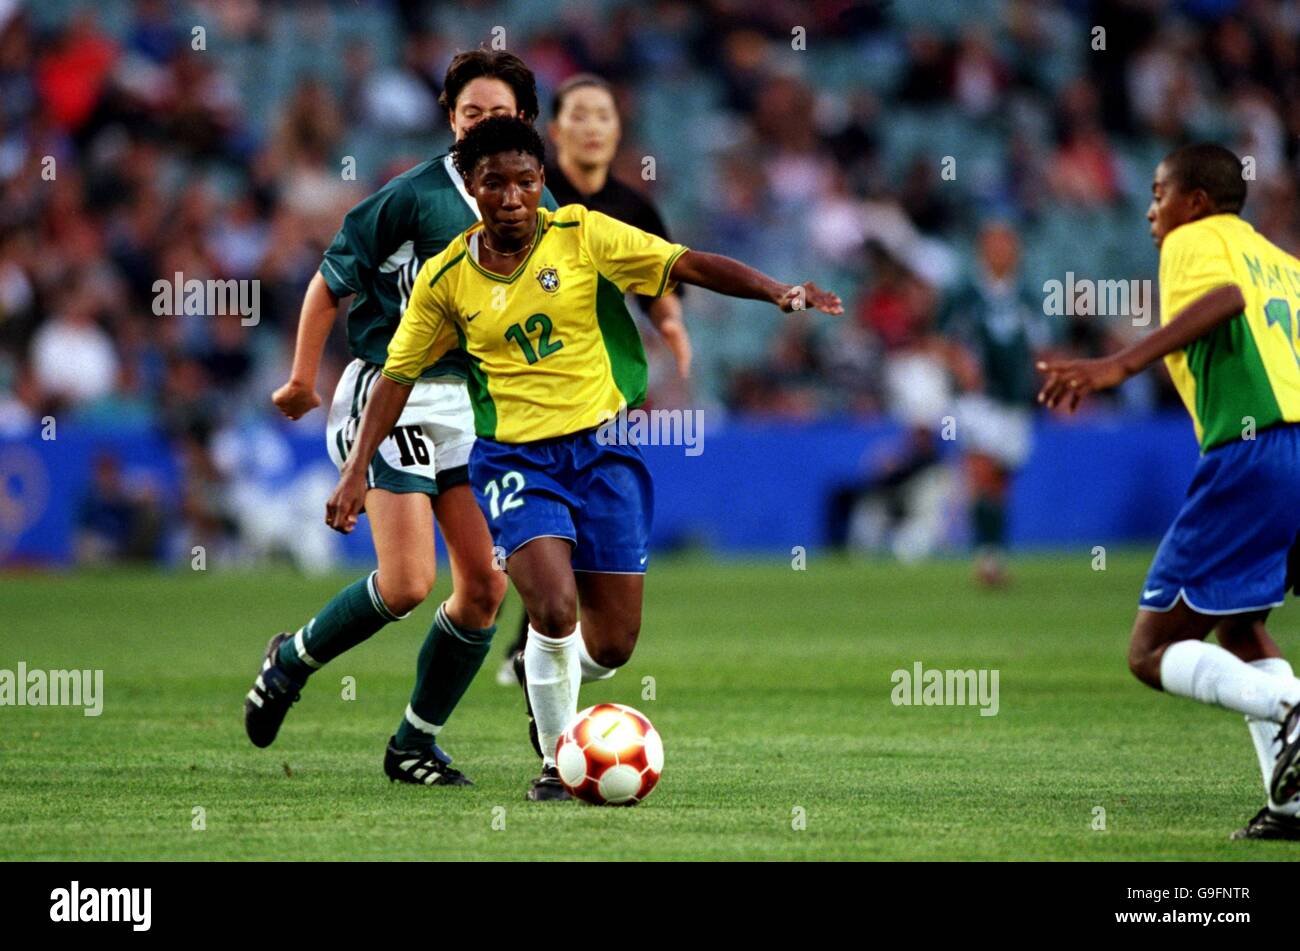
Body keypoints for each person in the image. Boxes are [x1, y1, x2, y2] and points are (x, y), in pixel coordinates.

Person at [325, 116, 842, 800]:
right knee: (554, 605)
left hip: (603, 452)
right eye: (495, 183)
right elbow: (394, 377)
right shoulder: (447, 277)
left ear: (542, 181)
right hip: (514, 460)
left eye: (525, 181)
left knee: (616, 641)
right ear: (472, 188)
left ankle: (548, 674)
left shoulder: (583, 233)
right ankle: (557, 758)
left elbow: (683, 261)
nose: (512, 196)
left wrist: (775, 288)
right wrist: (357, 468)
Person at [244, 50, 559, 788]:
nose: (485, 123)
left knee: (485, 586)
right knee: (409, 580)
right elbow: (329, 283)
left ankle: (414, 742)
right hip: (393, 390)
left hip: (474, 406)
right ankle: (291, 659)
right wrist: (299, 377)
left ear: (526, 122)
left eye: (501, 113)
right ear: (451, 119)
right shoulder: (414, 197)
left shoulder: (532, 211)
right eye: (471, 112)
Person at [1037, 143, 1300, 840]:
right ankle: (1294, 803)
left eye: (1159, 193)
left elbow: (1225, 300)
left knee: (1150, 650)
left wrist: (1120, 363)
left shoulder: (1194, 241)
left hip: (1256, 446)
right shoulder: (1281, 260)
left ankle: (1295, 710)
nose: (1151, 210)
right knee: (1239, 625)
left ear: (1197, 202)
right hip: (1293, 447)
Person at [494, 72, 692, 687]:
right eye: (577, 115)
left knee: (588, 528)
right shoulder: (529, 198)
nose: (591, 127)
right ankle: (534, 641)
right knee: (539, 532)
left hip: (601, 390)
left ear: (617, 130)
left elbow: (661, 284)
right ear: (553, 130)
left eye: (603, 115)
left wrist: (673, 327)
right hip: (524, 398)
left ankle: (539, 650)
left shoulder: (634, 209)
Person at [941, 221, 1049, 585]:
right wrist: (961, 365)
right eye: (994, 243)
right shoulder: (965, 295)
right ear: (982, 250)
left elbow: (1042, 347)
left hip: (1015, 401)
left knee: (1002, 479)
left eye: (1007, 243)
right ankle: (985, 558)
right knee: (982, 470)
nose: (1002, 251)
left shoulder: (1027, 297)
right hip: (977, 400)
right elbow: (942, 339)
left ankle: (994, 554)